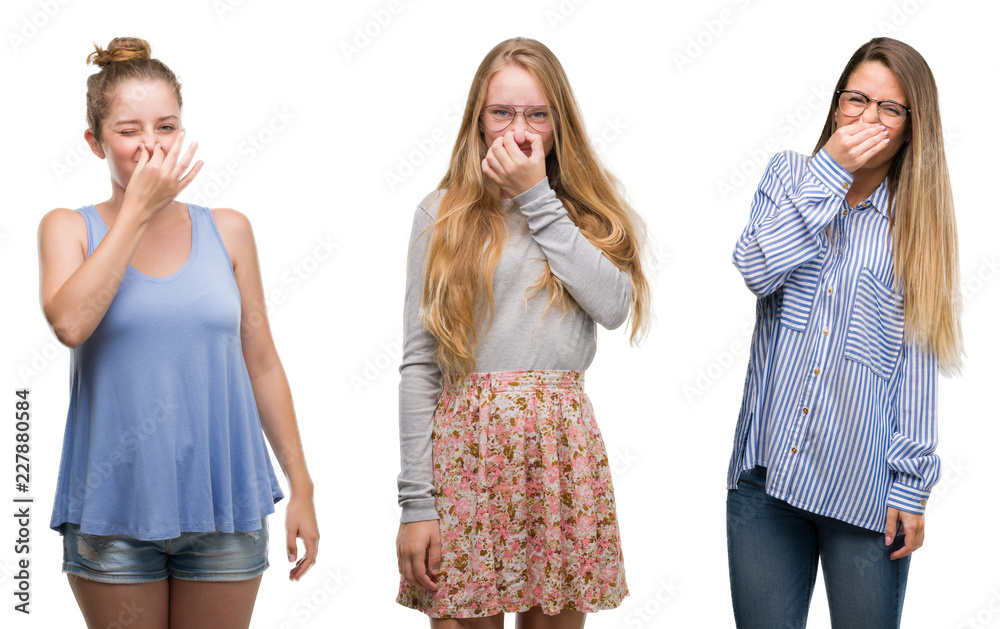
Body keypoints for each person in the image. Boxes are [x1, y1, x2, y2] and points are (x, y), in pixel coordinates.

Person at [38, 37, 319, 628]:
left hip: (224, 505)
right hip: (113, 510)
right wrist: (137, 211)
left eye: (166, 126)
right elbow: (70, 322)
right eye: (128, 130)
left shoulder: (229, 230)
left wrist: (302, 485)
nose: (151, 146)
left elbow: (262, 362)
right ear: (94, 142)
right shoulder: (69, 228)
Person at [394, 38, 650, 628]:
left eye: (537, 113)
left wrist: (536, 197)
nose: (519, 130)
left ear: (559, 123)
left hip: (558, 451)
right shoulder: (442, 212)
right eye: (502, 113)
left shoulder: (587, 212)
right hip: (466, 454)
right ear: (478, 122)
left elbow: (614, 307)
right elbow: (420, 365)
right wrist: (416, 504)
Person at [726, 37, 961, 628]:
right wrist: (831, 170)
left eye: (890, 108)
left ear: (912, 128)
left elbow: (916, 364)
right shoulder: (790, 175)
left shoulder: (916, 222)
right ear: (836, 106)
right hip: (767, 479)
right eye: (857, 99)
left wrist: (911, 485)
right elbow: (757, 269)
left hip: (864, 491)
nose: (868, 118)